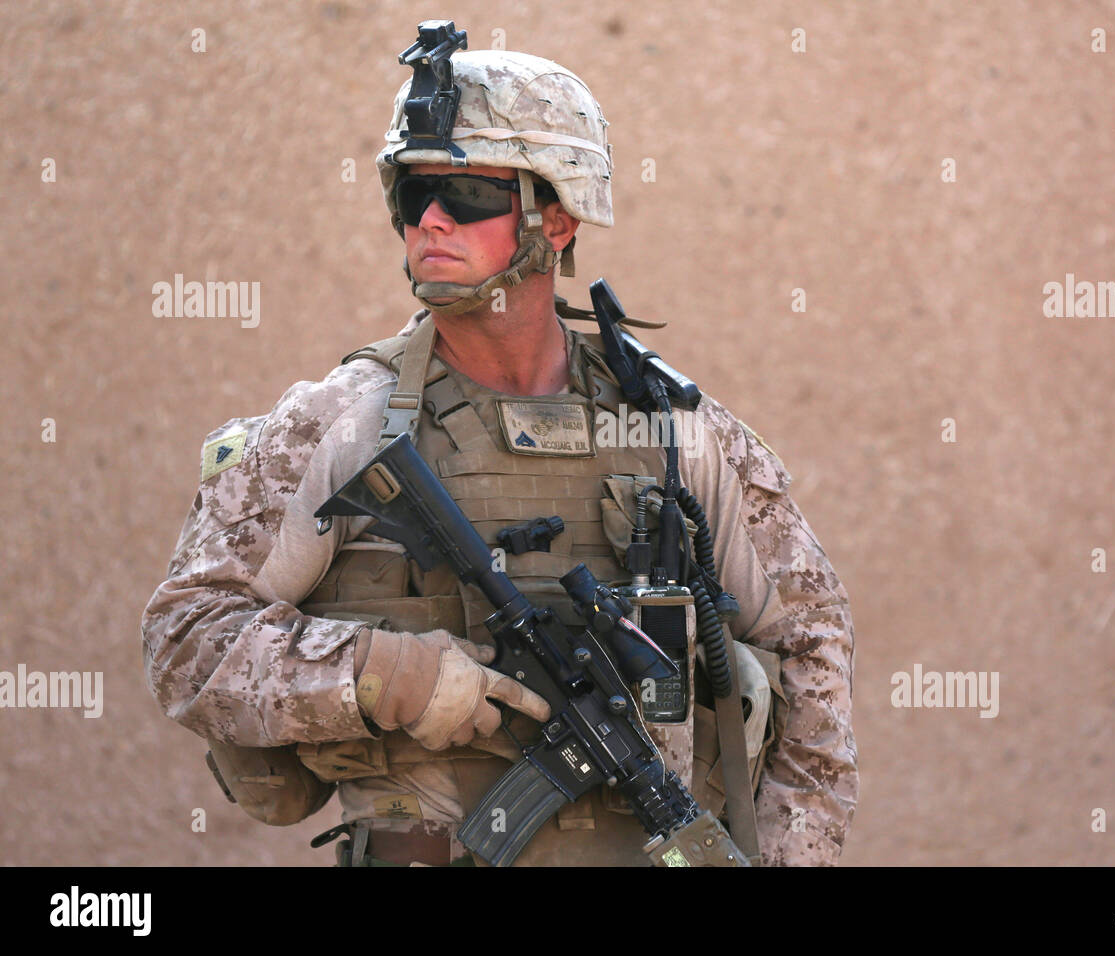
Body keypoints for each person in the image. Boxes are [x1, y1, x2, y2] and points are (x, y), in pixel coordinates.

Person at [141, 22, 857, 867]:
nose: (431, 221)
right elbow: (188, 638)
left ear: (558, 218)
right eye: (414, 195)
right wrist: (390, 676)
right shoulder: (341, 424)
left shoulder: (673, 432)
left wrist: (790, 856)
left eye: (468, 195)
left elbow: (812, 642)